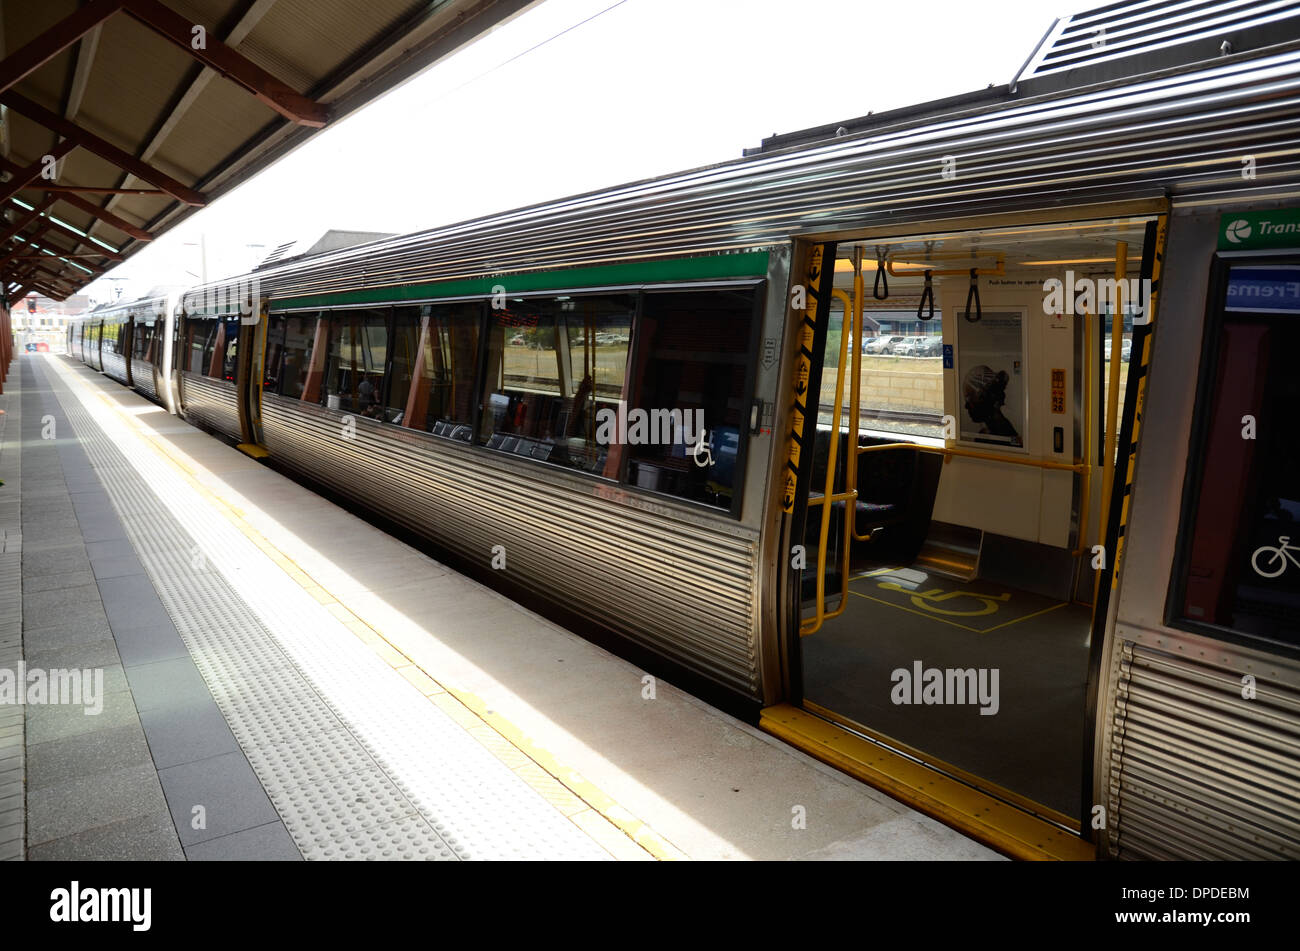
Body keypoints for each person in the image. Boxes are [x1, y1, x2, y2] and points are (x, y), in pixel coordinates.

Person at [962, 364, 1021, 446]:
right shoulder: (987, 433)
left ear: (988, 398)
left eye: (971, 398)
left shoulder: (1003, 432)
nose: (966, 406)